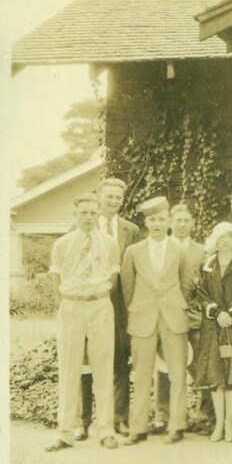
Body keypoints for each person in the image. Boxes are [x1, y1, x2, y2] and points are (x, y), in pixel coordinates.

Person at [45, 194, 121, 452]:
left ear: (99, 213)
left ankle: (106, 430)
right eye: (83, 212)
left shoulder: (110, 243)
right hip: (72, 305)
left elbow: (113, 277)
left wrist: (97, 295)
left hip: (99, 305)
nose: (88, 217)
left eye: (92, 212)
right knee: (68, 369)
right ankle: (65, 432)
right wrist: (66, 303)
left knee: (103, 368)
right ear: (75, 213)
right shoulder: (63, 244)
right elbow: (55, 277)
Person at [120, 197, 196, 445]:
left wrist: (178, 305)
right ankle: (138, 428)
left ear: (169, 221)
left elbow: (186, 285)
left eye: (162, 219)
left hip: (173, 316)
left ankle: (177, 426)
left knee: (177, 373)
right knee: (141, 374)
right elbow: (127, 287)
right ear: (146, 221)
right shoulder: (133, 251)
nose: (157, 224)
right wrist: (136, 308)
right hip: (143, 317)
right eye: (152, 219)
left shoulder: (180, 251)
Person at [76, 178, 140, 439]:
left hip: (122, 305)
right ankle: (83, 421)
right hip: (91, 302)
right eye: (109, 196)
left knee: (120, 360)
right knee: (87, 360)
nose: (113, 201)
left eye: (118, 197)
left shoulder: (132, 230)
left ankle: (119, 418)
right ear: (99, 197)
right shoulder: (83, 226)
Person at [192, 222, 232, 442]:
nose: (225, 241)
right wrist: (217, 313)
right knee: (216, 374)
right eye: (221, 238)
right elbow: (201, 293)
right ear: (215, 241)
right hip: (213, 325)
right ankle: (219, 423)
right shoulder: (206, 265)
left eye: (230, 237)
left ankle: (230, 423)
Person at [152, 203, 206, 435]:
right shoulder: (161, 248)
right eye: (178, 221)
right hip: (167, 315)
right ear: (170, 223)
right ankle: (164, 416)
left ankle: (204, 413)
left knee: (199, 365)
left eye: (186, 220)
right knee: (165, 367)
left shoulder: (203, 251)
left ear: (193, 223)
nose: (182, 225)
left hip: (193, 315)